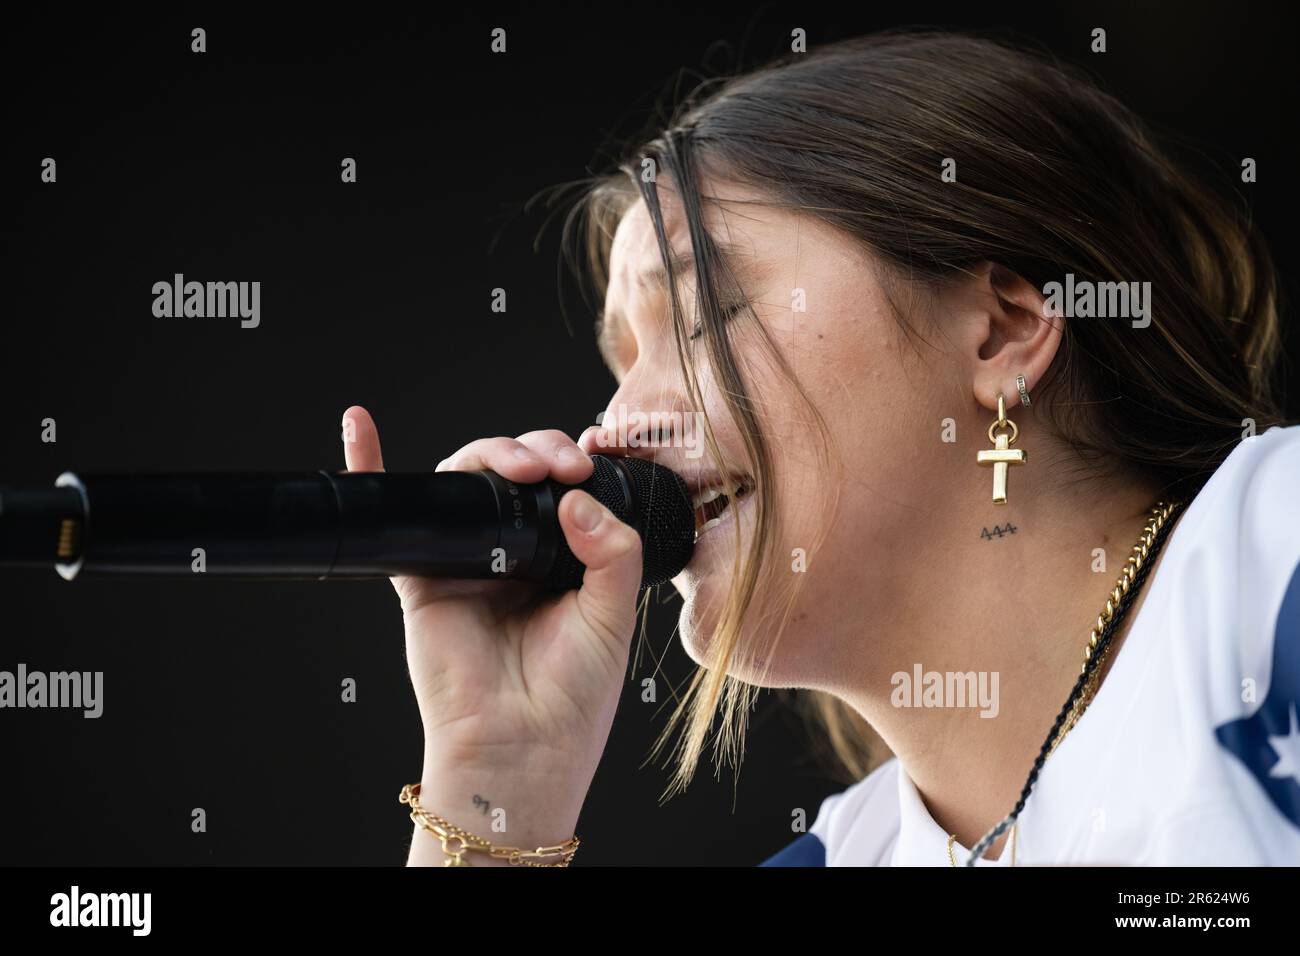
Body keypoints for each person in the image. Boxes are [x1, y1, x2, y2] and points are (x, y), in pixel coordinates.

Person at [347, 30, 1300, 866]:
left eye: (708, 310)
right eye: (622, 361)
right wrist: (496, 793)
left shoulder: (1271, 554)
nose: (613, 425)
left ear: (1003, 330)